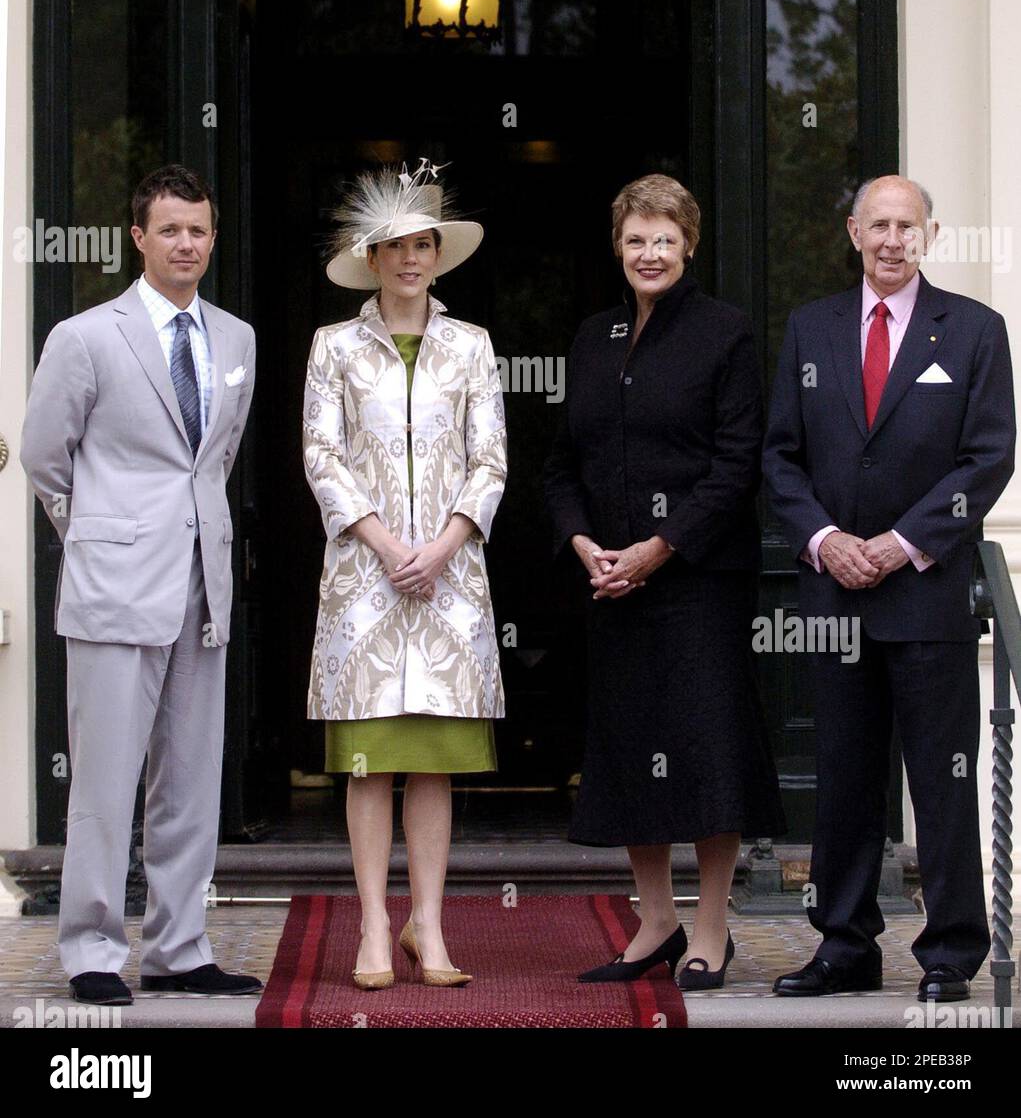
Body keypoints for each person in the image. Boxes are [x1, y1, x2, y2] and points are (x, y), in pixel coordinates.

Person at [763, 174, 1016, 1002]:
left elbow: (987, 459)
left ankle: (947, 953)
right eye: (877, 224)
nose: (891, 239)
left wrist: (902, 544)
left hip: (926, 595)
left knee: (939, 780)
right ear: (852, 231)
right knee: (842, 776)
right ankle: (844, 946)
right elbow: (779, 457)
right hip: (834, 593)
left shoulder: (975, 331)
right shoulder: (811, 328)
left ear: (930, 236)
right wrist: (826, 539)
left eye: (907, 226)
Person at [20, 164, 259, 1005]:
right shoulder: (85, 337)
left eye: (197, 229)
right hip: (115, 584)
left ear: (212, 235)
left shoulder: (236, 339)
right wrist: (101, 536)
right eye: (169, 230)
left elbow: (215, 460)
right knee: (106, 778)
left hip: (203, 587)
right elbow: (47, 458)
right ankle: (90, 950)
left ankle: (179, 946)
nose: (185, 243)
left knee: (190, 781)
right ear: (138, 237)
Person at [543, 173, 786, 990]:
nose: (649, 253)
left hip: (696, 583)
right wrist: (583, 545)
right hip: (609, 581)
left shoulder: (724, 334)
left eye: (664, 239)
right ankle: (654, 919)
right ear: (617, 247)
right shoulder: (591, 337)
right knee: (627, 749)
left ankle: (710, 928)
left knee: (703, 750)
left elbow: (734, 466)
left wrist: (659, 546)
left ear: (688, 246)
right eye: (636, 239)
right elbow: (559, 463)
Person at [303, 159, 506, 989]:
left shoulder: (471, 346)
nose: (411, 259)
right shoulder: (333, 347)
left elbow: (490, 461)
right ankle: (375, 930)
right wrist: (388, 547)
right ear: (371, 257)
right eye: (396, 247)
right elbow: (320, 454)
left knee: (433, 763)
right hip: (365, 582)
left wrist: (446, 544)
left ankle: (429, 923)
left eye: (423, 244)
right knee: (368, 763)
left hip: (449, 584)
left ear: (436, 254)